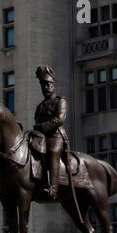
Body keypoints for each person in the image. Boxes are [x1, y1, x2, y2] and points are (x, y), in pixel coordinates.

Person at [32, 65, 68, 200]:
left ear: (53, 84)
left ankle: (53, 187)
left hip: (56, 136)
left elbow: (59, 119)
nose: (46, 87)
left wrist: (42, 127)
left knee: (53, 151)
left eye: (48, 84)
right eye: (43, 85)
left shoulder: (61, 101)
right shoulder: (40, 106)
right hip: (41, 137)